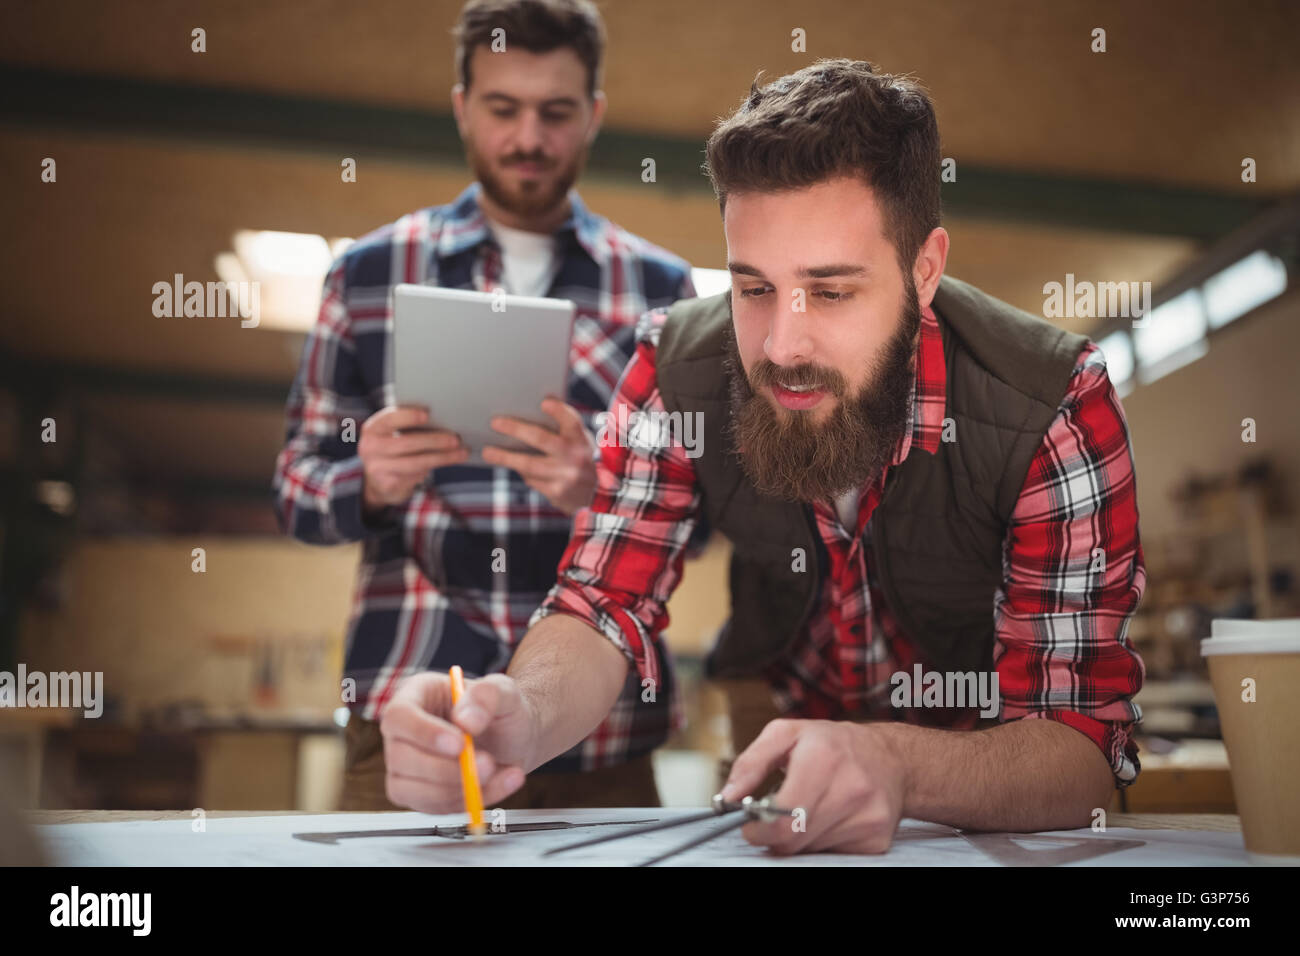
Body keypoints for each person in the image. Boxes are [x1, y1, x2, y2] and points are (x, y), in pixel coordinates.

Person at [379, 58, 1146, 855]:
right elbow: (601, 603)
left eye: (834, 291)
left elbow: (1081, 748)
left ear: (924, 270)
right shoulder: (671, 371)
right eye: (753, 288)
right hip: (777, 727)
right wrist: (521, 716)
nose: (782, 347)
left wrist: (897, 763)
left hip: (990, 774)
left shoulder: (1053, 401)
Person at [274, 0, 694, 811]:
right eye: (503, 108)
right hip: (412, 717)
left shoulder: (664, 291)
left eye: (556, 113)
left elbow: (710, 516)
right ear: (462, 105)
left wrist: (602, 486)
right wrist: (371, 481)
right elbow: (296, 491)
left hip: (600, 738)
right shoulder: (366, 272)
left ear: (595, 117)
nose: (528, 138)